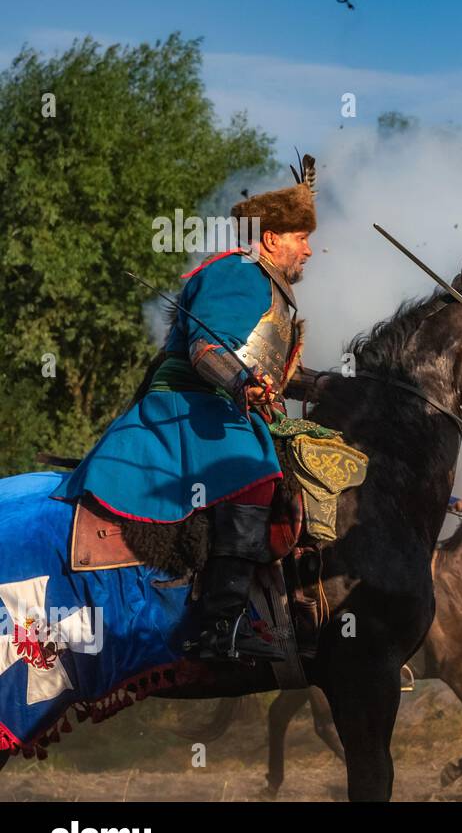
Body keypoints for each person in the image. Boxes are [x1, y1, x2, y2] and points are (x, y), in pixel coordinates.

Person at [54, 159, 319, 663]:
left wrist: (340, 387)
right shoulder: (240, 274)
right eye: (300, 237)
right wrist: (242, 383)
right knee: (250, 471)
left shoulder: (271, 292)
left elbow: (268, 367)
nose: (309, 249)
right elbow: (204, 351)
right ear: (268, 241)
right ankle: (220, 625)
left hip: (225, 403)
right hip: (187, 406)